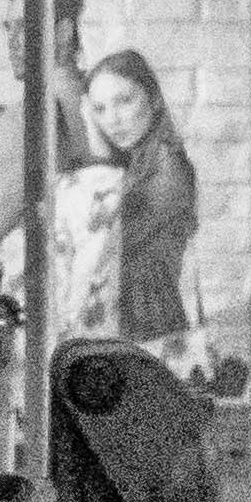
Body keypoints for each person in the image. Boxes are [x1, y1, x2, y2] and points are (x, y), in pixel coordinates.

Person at [79, 46, 201, 357]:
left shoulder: (167, 165)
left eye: (124, 100)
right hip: (131, 325)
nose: (113, 119)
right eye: (99, 109)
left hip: (151, 329)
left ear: (154, 99)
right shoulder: (134, 164)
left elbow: (107, 245)